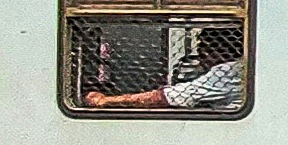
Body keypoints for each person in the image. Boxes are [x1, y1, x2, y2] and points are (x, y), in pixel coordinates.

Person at [89, 22, 247, 112]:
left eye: (202, 51)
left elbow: (166, 98)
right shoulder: (244, 68)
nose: (200, 58)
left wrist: (106, 100)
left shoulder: (227, 71)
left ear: (219, 50)